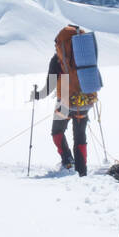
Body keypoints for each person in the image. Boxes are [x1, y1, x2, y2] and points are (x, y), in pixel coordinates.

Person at [30, 29, 93, 177]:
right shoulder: (85, 56)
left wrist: (38, 95)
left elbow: (50, 85)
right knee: (80, 135)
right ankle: (81, 170)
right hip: (85, 97)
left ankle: (68, 161)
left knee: (57, 132)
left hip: (65, 97)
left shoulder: (58, 59)